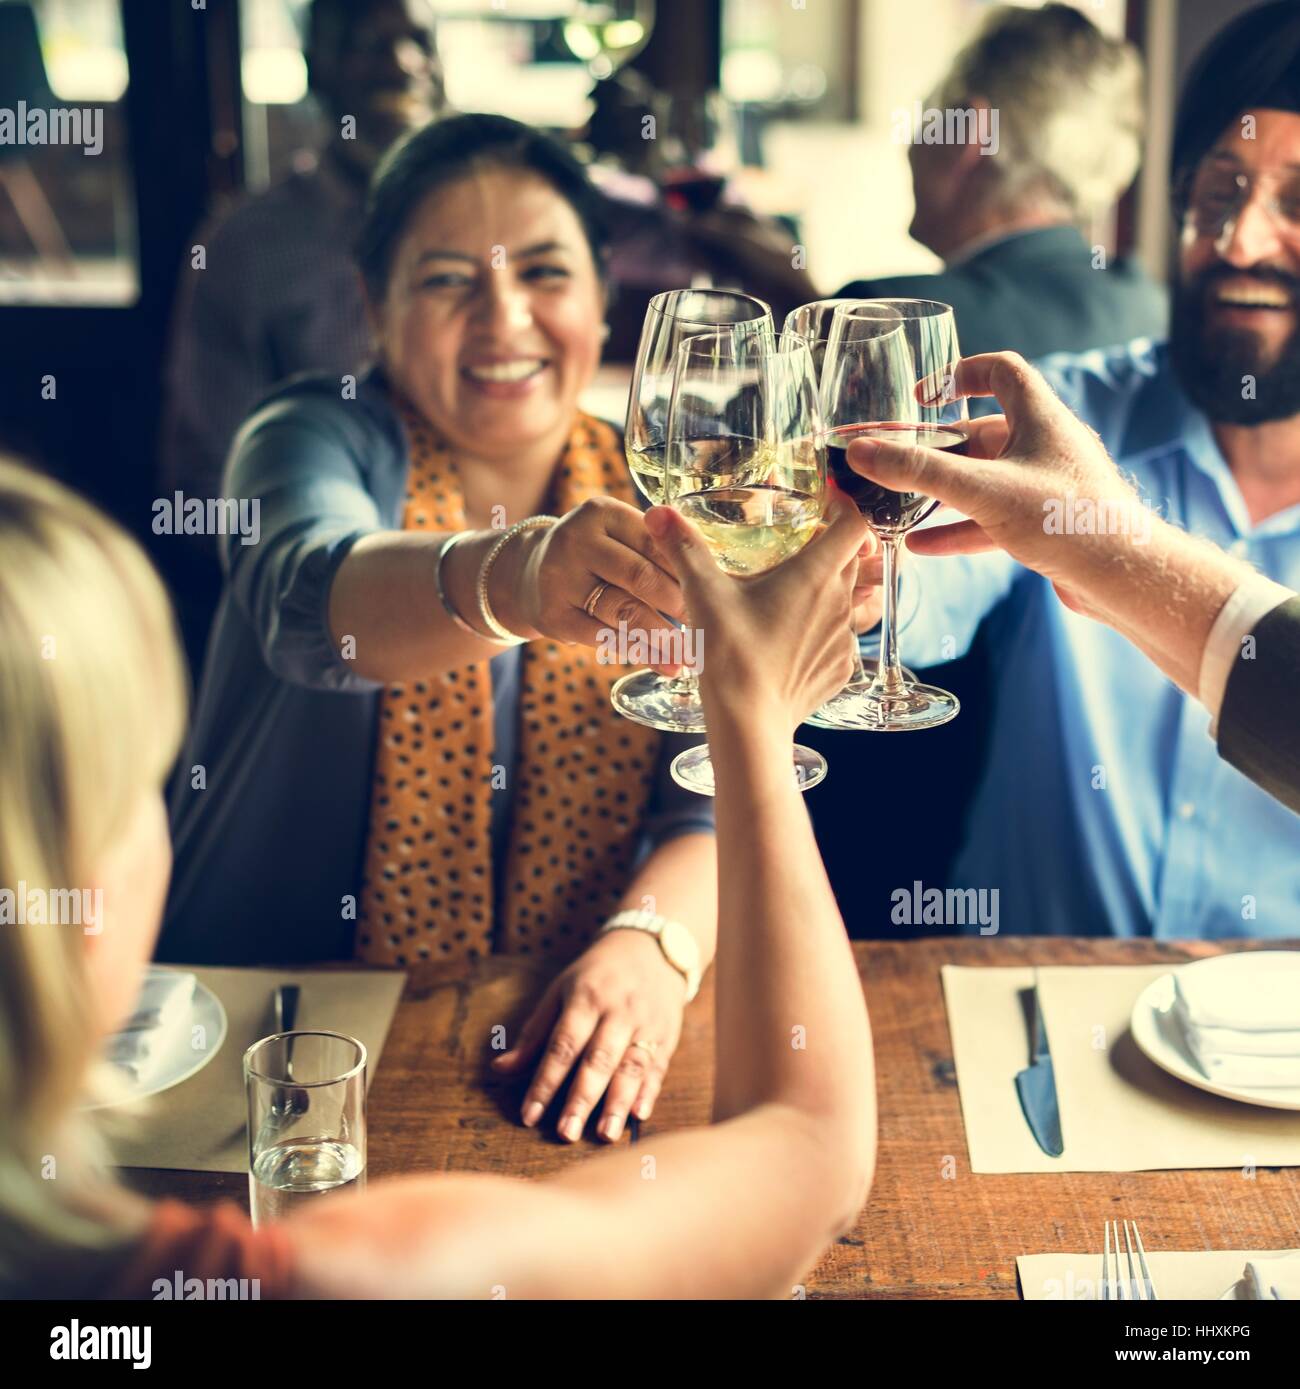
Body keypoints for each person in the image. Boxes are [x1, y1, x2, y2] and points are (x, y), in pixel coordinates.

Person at [0, 455, 876, 1299]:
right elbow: (807, 1151)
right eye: (140, 788)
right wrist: (757, 708)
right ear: (66, 897)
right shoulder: (275, 1281)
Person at [162, 115, 724, 1144]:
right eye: (448, 280)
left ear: (603, 299)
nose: (503, 318)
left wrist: (651, 946)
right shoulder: (304, 433)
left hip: (540, 1061)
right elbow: (310, 605)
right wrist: (517, 577)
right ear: (372, 305)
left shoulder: (666, 494)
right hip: (242, 1041)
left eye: (546, 274)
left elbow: (714, 800)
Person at [847, 1, 1300, 937]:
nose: (1239, 240)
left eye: (1297, 202)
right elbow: (919, 586)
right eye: (1219, 193)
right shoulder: (1066, 416)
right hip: (1007, 1016)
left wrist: (1111, 550)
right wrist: (849, 579)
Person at [847, 351, 1300, 816]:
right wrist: (875, 589)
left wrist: (1110, 549)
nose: (1241, 271)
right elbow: (942, 570)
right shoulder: (1065, 407)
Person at [161, 0, 447, 509]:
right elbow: (205, 480)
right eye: (369, 45)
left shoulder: (499, 220)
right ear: (319, 68)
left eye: (418, 41)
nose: (402, 61)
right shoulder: (247, 247)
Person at [836, 4, 1165, 358]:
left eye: (930, 114)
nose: (915, 141)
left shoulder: (880, 321)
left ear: (968, 133)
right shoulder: (1156, 310)